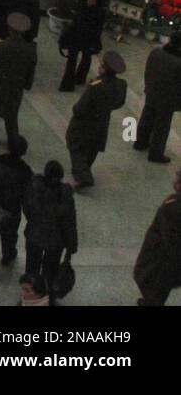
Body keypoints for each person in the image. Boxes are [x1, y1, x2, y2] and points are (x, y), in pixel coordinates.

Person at [65, 51, 128, 190]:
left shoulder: (96, 86)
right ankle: (84, 169)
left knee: (75, 145)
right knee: (92, 148)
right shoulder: (122, 84)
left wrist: (76, 110)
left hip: (85, 122)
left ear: (104, 69)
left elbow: (80, 108)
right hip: (102, 122)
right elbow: (120, 103)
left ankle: (83, 177)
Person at [0, 134, 33, 283]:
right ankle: (8, 256)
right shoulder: (25, 171)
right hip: (12, 213)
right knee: (9, 236)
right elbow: (27, 196)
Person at [22, 161, 77, 303]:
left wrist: (33, 221)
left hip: (34, 234)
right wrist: (72, 245)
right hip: (55, 241)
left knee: (32, 266)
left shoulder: (34, 188)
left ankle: (29, 293)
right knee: (50, 270)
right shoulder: (65, 196)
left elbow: (27, 208)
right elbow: (69, 223)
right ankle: (46, 295)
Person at [0, 13, 37, 147]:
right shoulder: (30, 50)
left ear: (9, 29)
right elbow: (30, 70)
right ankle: (13, 141)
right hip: (16, 87)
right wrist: (27, 85)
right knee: (11, 116)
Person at [134, 168, 181, 305]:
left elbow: (170, 241)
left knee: (153, 286)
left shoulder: (173, 207)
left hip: (161, 261)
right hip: (169, 264)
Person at [136, 34, 181, 163]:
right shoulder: (178, 63)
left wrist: (148, 86)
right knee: (162, 126)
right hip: (167, 99)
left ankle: (140, 142)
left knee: (146, 117)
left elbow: (148, 70)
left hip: (151, 91)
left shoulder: (156, 52)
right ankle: (155, 153)